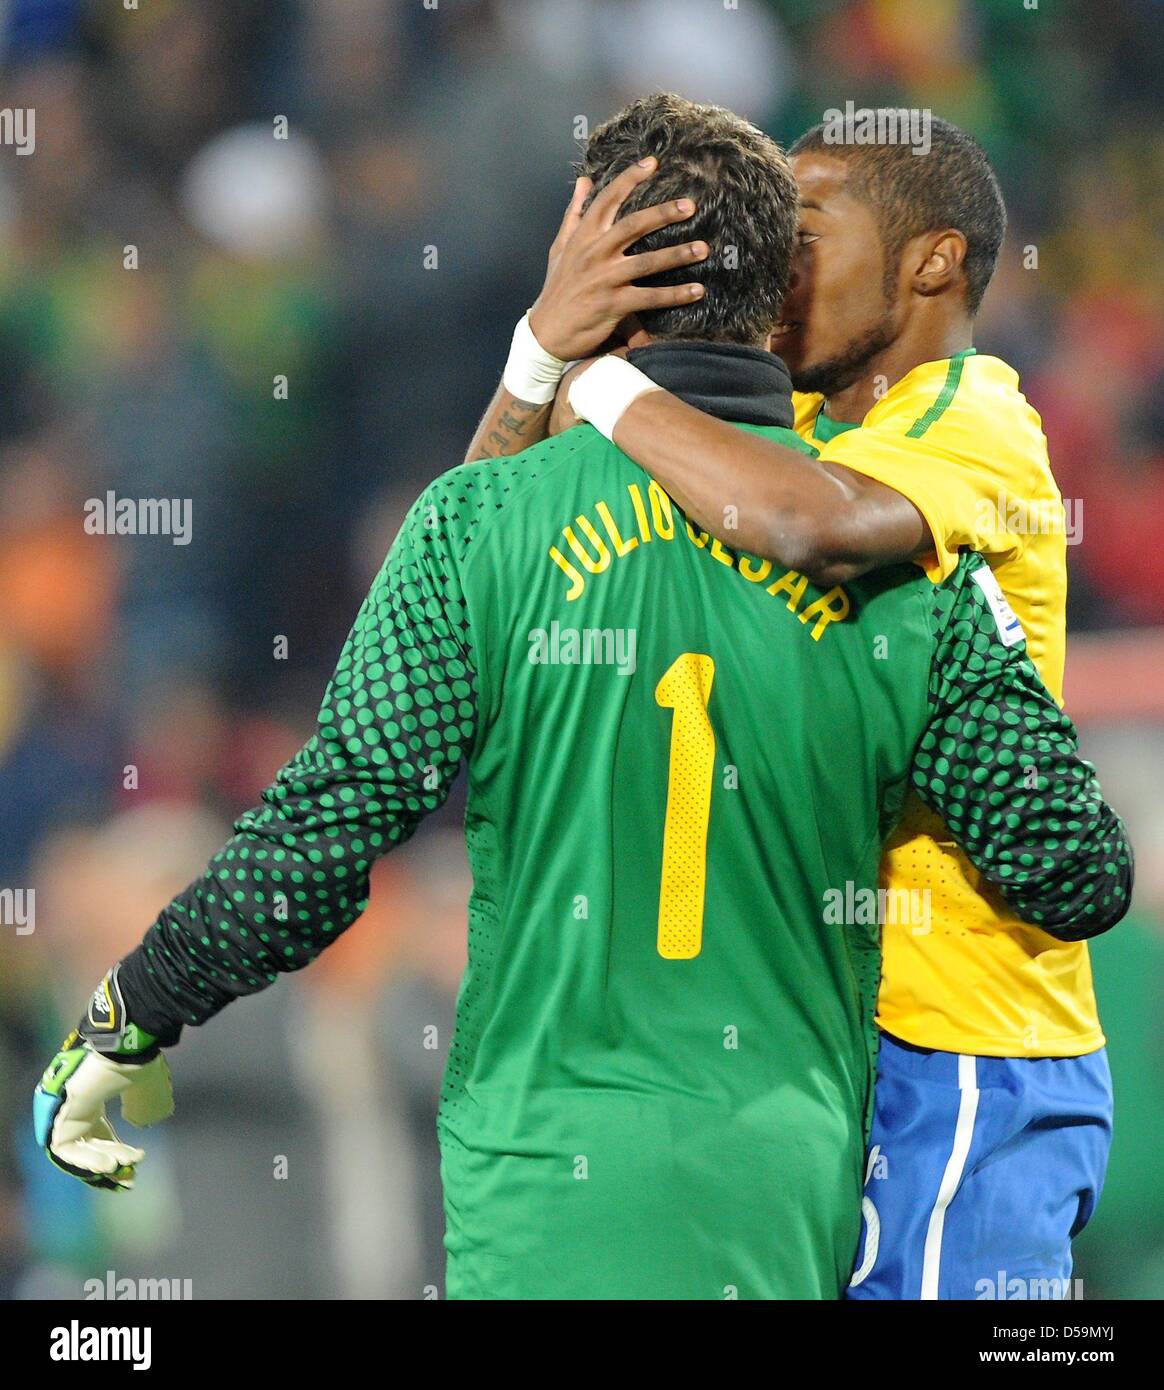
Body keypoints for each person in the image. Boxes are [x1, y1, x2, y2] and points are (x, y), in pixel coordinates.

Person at [35, 96, 1132, 1300]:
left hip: (539, 1187)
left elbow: (321, 836)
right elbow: (1075, 868)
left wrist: (127, 1014)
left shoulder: (478, 524)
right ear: (776, 291)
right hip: (786, 1191)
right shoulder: (906, 557)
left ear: (586, 271)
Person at [475, 113, 1120, 1300]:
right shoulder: (797, 439)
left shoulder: (973, 420)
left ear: (932, 262)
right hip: (823, 1045)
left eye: (808, 232)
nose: (777, 267)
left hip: (966, 1039)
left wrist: (608, 380)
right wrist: (538, 354)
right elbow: (470, 569)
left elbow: (809, 524)